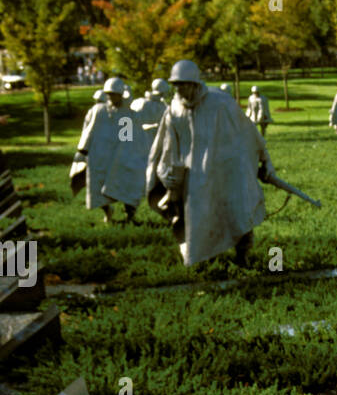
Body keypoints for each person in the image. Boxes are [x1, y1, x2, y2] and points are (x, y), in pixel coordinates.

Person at [146, 60, 293, 268]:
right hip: (195, 177)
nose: (179, 89)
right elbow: (167, 147)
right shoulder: (174, 110)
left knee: (238, 213)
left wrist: (266, 160)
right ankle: (207, 260)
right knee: (198, 219)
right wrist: (164, 173)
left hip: (229, 171)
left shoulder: (221, 103)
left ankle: (243, 257)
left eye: (184, 84)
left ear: (195, 83)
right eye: (176, 85)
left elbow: (249, 133)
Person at [70, 76, 144, 223]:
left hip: (118, 156)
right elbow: (89, 130)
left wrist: (124, 157)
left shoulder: (126, 114)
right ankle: (107, 211)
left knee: (125, 185)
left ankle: (130, 215)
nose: (112, 97)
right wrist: (82, 150)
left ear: (121, 95)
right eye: (109, 94)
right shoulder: (99, 110)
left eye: (115, 94)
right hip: (99, 155)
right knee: (97, 187)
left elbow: (126, 139)